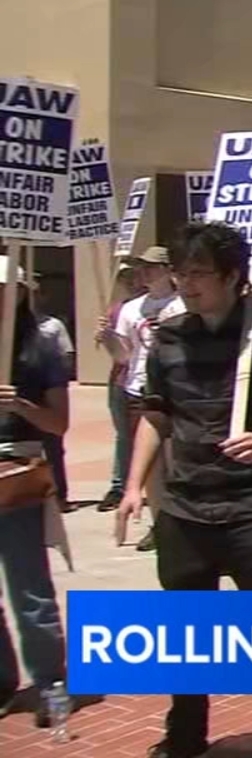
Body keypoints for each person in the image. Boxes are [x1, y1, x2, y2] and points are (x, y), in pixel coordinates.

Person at [113, 221, 252, 758]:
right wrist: (134, 486)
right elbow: (155, 416)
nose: (186, 283)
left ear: (233, 276)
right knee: (187, 637)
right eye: (180, 272)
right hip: (184, 508)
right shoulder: (167, 336)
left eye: (199, 273)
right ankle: (185, 736)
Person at [0, 276, 71, 728]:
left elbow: (59, 423)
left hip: (17, 474)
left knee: (29, 586)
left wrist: (21, 407)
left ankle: (51, 682)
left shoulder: (39, 348)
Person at [107, 247, 186, 551]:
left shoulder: (182, 305)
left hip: (177, 389)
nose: (146, 272)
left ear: (168, 269)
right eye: (143, 267)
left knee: (175, 461)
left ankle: (182, 523)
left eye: (153, 267)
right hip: (140, 389)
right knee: (151, 466)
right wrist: (108, 339)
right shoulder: (131, 309)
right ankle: (160, 525)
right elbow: (125, 356)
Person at [96, 263, 144, 511]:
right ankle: (119, 486)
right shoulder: (117, 311)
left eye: (136, 277)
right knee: (124, 436)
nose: (133, 282)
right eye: (127, 278)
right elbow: (119, 356)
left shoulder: (161, 306)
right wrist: (106, 337)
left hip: (145, 382)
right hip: (121, 380)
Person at [29, 278, 74, 512]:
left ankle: (60, 494)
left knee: (53, 449)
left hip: (45, 398)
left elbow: (66, 356)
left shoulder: (51, 329)